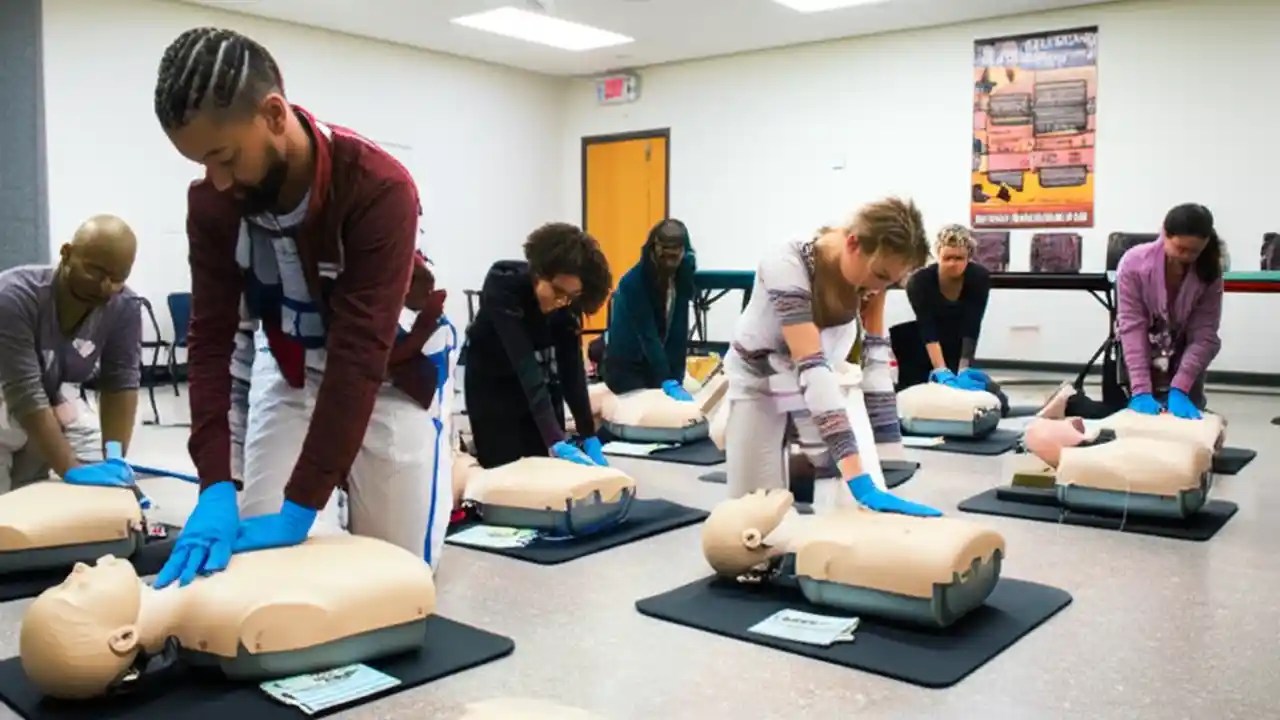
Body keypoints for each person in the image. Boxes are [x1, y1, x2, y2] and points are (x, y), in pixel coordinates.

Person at [151, 27, 453, 589]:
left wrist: (304, 503)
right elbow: (213, 341)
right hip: (290, 363)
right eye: (200, 164)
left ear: (272, 114)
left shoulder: (377, 189)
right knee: (261, 565)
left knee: (396, 579)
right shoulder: (213, 204)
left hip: (391, 372)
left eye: (223, 156)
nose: (215, 180)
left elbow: (361, 356)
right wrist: (216, 480)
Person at [722, 197, 940, 517]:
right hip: (762, 384)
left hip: (825, 382)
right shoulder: (786, 263)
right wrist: (857, 476)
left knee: (850, 499)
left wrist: (886, 451)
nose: (879, 288)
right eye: (880, 275)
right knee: (754, 515)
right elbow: (809, 364)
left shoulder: (871, 281)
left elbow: (876, 358)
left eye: (889, 282)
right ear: (853, 243)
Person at [1039, 204, 1225, 421]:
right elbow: (1132, 328)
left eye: (1195, 251)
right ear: (1164, 233)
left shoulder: (1209, 271)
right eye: (1180, 249)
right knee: (1121, 423)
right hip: (1137, 357)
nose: (1186, 256)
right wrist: (1141, 390)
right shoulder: (1133, 263)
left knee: (1179, 424)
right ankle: (1070, 401)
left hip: (1183, 359)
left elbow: (1204, 335)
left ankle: (1174, 394)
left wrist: (1181, 388)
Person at [0, 215, 142, 493]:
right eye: (95, 271)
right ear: (66, 253)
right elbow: (24, 391)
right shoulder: (13, 296)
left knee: (31, 500)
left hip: (45, 401)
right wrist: (69, 467)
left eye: (117, 278)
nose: (105, 287)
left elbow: (120, 383)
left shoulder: (123, 306)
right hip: (10, 397)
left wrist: (114, 458)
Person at [464, 222, 612, 470]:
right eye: (556, 291)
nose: (561, 301)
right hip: (494, 389)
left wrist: (588, 434)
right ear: (538, 273)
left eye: (570, 296)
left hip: (541, 382)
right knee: (508, 472)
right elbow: (524, 363)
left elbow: (571, 370)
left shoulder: (566, 302)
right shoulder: (503, 288)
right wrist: (554, 438)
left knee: (548, 472)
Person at [893, 224, 1008, 412]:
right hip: (921, 346)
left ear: (968, 258)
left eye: (959, 258)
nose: (953, 263)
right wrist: (941, 371)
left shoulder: (978, 278)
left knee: (979, 400)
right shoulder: (919, 282)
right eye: (947, 258)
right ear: (938, 255)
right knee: (924, 402)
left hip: (957, 340)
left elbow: (972, 325)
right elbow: (927, 327)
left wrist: (963, 369)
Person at [602, 218, 697, 401]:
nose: (669, 263)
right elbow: (648, 337)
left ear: (684, 252)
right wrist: (667, 381)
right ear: (653, 249)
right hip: (628, 367)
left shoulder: (682, 274)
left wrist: (677, 378)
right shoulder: (633, 283)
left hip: (656, 363)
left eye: (674, 257)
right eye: (664, 256)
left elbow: (679, 330)